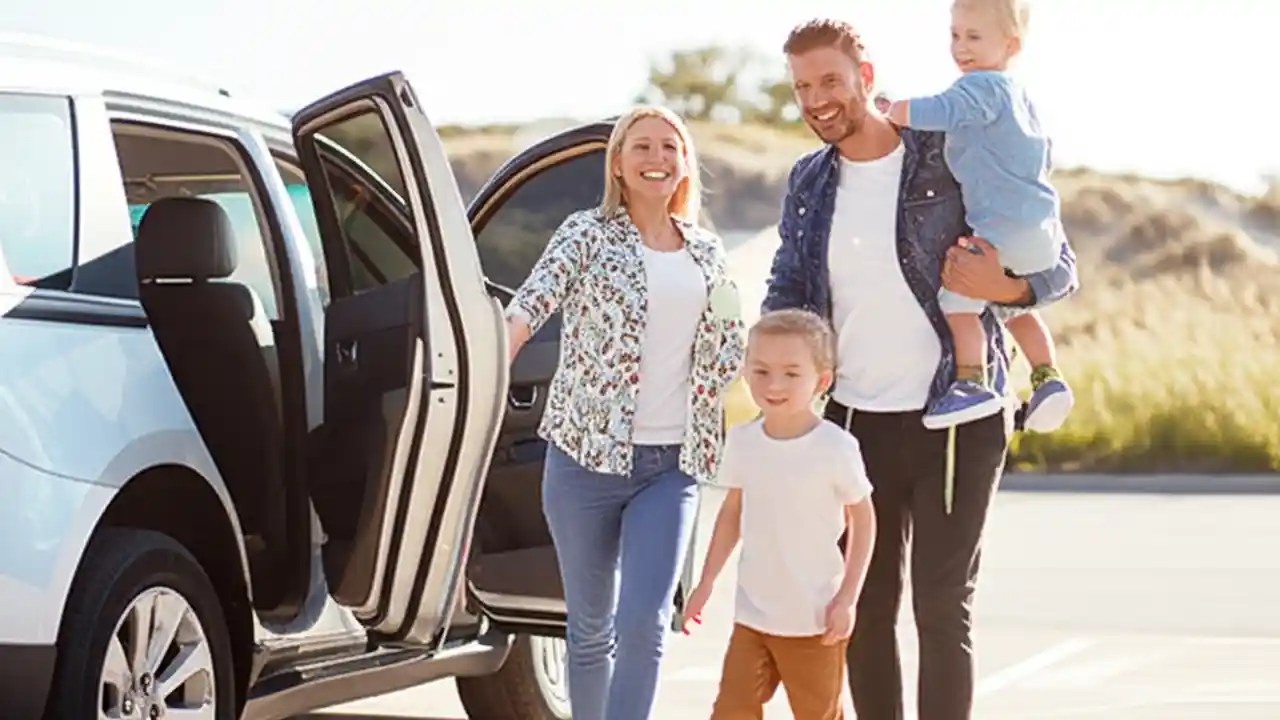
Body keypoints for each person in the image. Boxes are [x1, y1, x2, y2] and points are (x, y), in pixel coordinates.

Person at [766, 19, 1079, 720]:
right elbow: (788, 288)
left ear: (866, 80)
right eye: (802, 87)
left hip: (957, 419)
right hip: (850, 423)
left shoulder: (948, 150)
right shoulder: (809, 181)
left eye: (830, 81)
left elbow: (1055, 263)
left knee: (940, 609)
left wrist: (1009, 291)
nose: (817, 99)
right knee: (864, 610)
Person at [504, 104, 745, 720]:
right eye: (641, 147)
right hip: (583, 461)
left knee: (643, 621)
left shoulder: (708, 254)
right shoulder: (585, 233)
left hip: (671, 467)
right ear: (618, 162)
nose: (656, 158)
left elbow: (729, 347)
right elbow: (529, 306)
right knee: (589, 629)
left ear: (685, 162)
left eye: (670, 147)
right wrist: (493, 358)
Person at [886, 0, 1073, 432]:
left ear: (1010, 44)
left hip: (1000, 230)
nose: (961, 47)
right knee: (1014, 309)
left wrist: (893, 111)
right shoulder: (1020, 97)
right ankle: (1048, 377)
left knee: (959, 301)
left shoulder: (981, 87)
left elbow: (941, 111)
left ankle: (971, 382)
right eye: (955, 35)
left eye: (973, 37)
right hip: (1042, 231)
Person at [682, 309, 876, 720]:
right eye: (761, 370)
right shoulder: (744, 442)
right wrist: (706, 582)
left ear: (821, 381)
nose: (774, 385)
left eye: (791, 373)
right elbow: (732, 513)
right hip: (752, 617)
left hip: (815, 622)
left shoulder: (835, 448)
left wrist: (848, 598)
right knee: (731, 711)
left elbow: (864, 520)